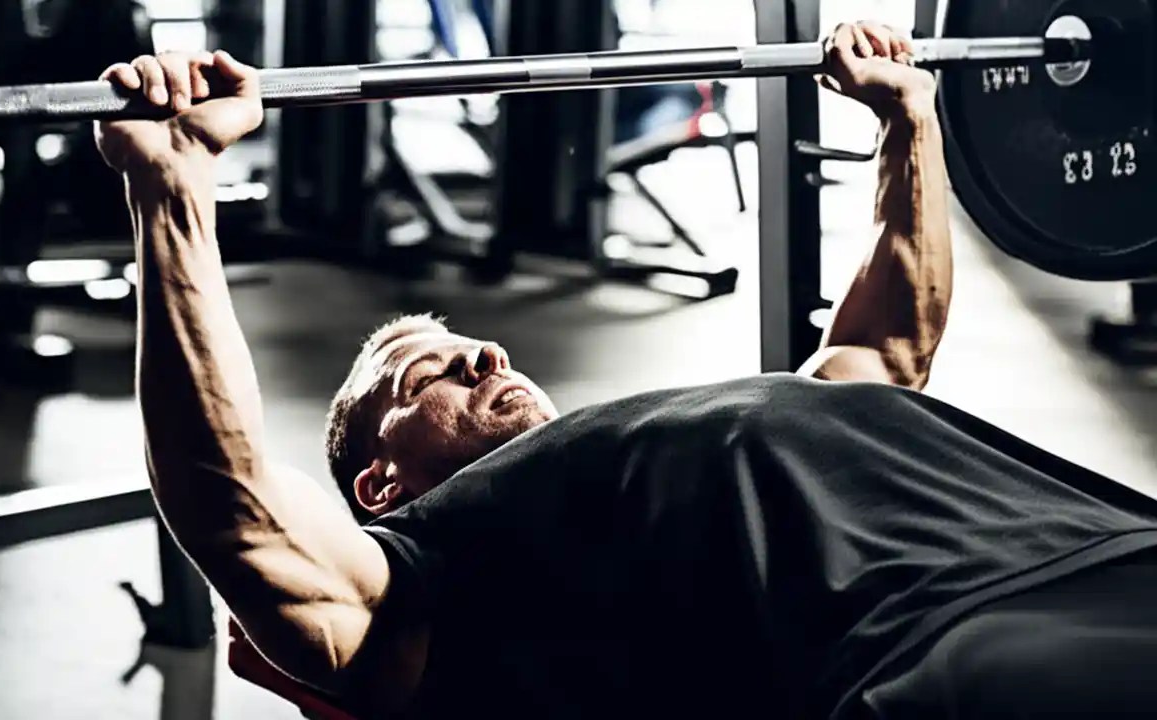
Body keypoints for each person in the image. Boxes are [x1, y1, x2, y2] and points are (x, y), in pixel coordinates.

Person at [97, 22, 1157, 720]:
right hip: (950, 649)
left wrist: (906, 115)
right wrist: (172, 189)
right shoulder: (431, 571)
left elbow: (885, 349)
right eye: (423, 375)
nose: (481, 350)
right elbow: (240, 515)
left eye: (466, 345)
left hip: (1112, 548)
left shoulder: (712, 428)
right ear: (381, 485)